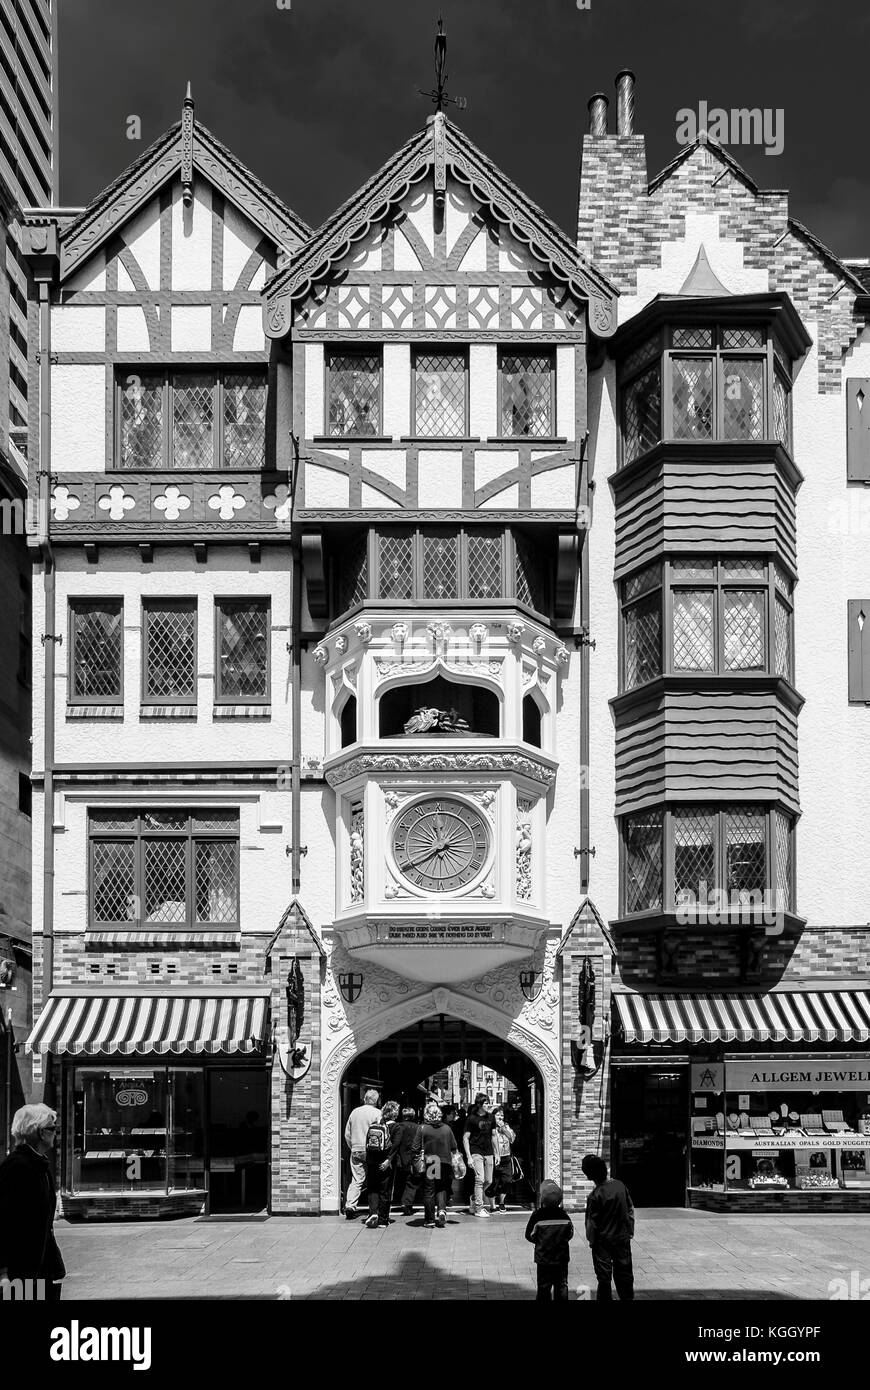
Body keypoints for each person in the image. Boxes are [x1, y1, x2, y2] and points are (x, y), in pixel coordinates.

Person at [0, 1104, 66, 1301]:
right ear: (39, 1132)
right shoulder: (17, 1167)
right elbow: (3, 1220)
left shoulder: (40, 1165)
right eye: (52, 1129)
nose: (56, 1133)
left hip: (43, 1269)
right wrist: (3, 1273)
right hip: (22, 1271)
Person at [581, 1153, 635, 1301]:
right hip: (622, 1239)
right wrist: (630, 1230)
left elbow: (591, 1223)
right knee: (624, 1275)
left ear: (590, 1175)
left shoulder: (595, 1196)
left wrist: (591, 1240)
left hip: (602, 1242)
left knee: (604, 1278)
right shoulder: (620, 1185)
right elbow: (630, 1210)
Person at [524, 1179, 574, 1302]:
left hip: (544, 1258)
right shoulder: (564, 1216)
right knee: (561, 1285)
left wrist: (539, 1241)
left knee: (543, 1287)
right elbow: (570, 1234)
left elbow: (529, 1235)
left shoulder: (537, 1215)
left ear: (542, 1199)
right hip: (561, 1258)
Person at [343, 1088, 381, 1218]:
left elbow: (347, 1133)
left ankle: (350, 1205)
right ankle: (374, 1208)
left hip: (356, 1149)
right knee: (374, 1179)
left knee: (357, 1180)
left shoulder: (354, 1112)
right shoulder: (377, 1113)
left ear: (365, 1099)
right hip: (372, 1151)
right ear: (376, 1100)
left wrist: (352, 1146)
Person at [419, 1101, 458, 1228]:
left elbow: (415, 1147)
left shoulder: (423, 1128)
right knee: (441, 1188)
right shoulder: (447, 1128)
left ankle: (430, 1220)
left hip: (431, 1161)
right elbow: (454, 1147)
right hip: (445, 1162)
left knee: (430, 1190)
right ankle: (441, 1210)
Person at [364, 1101, 400, 1229]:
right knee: (385, 1190)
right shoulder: (397, 1127)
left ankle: (373, 1213)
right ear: (395, 1114)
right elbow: (395, 1145)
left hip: (372, 1161)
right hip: (386, 1163)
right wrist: (388, 1160)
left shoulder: (375, 1126)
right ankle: (383, 1220)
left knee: (373, 1188)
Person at [463, 1093, 495, 1216]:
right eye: (486, 1103)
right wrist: (469, 1156)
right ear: (479, 1104)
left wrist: (497, 1154)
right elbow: (465, 1138)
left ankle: (473, 1198)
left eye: (489, 1102)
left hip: (489, 1152)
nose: (489, 1105)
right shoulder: (471, 1119)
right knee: (480, 1180)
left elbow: (494, 1136)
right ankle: (479, 1208)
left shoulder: (491, 1117)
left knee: (489, 1180)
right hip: (476, 1151)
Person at [390, 1106, 423, 1214]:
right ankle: (407, 1202)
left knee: (400, 1180)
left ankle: (398, 1200)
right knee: (413, 1181)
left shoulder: (398, 1126)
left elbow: (395, 1143)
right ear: (413, 1116)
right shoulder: (418, 1127)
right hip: (414, 1158)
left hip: (400, 1158)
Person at [490, 1106, 516, 1211]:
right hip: (493, 1157)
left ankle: (501, 1201)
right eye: (498, 1115)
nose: (500, 1117)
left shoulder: (506, 1126)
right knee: (493, 1182)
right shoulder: (490, 1127)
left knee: (507, 1180)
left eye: (502, 1115)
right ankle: (492, 1204)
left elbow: (512, 1139)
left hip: (506, 1157)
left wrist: (504, 1129)